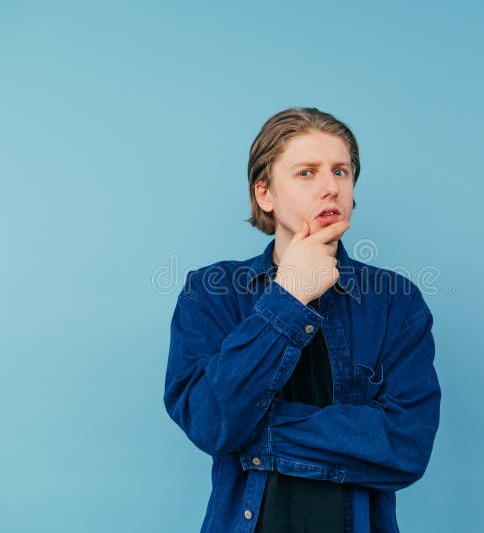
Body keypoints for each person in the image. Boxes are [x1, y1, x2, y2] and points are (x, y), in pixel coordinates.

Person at [163, 107, 441, 532]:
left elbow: (406, 448)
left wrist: (259, 436)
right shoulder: (211, 292)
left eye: (341, 171)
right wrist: (289, 297)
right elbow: (210, 421)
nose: (331, 187)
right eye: (306, 173)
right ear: (265, 194)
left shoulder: (397, 303)